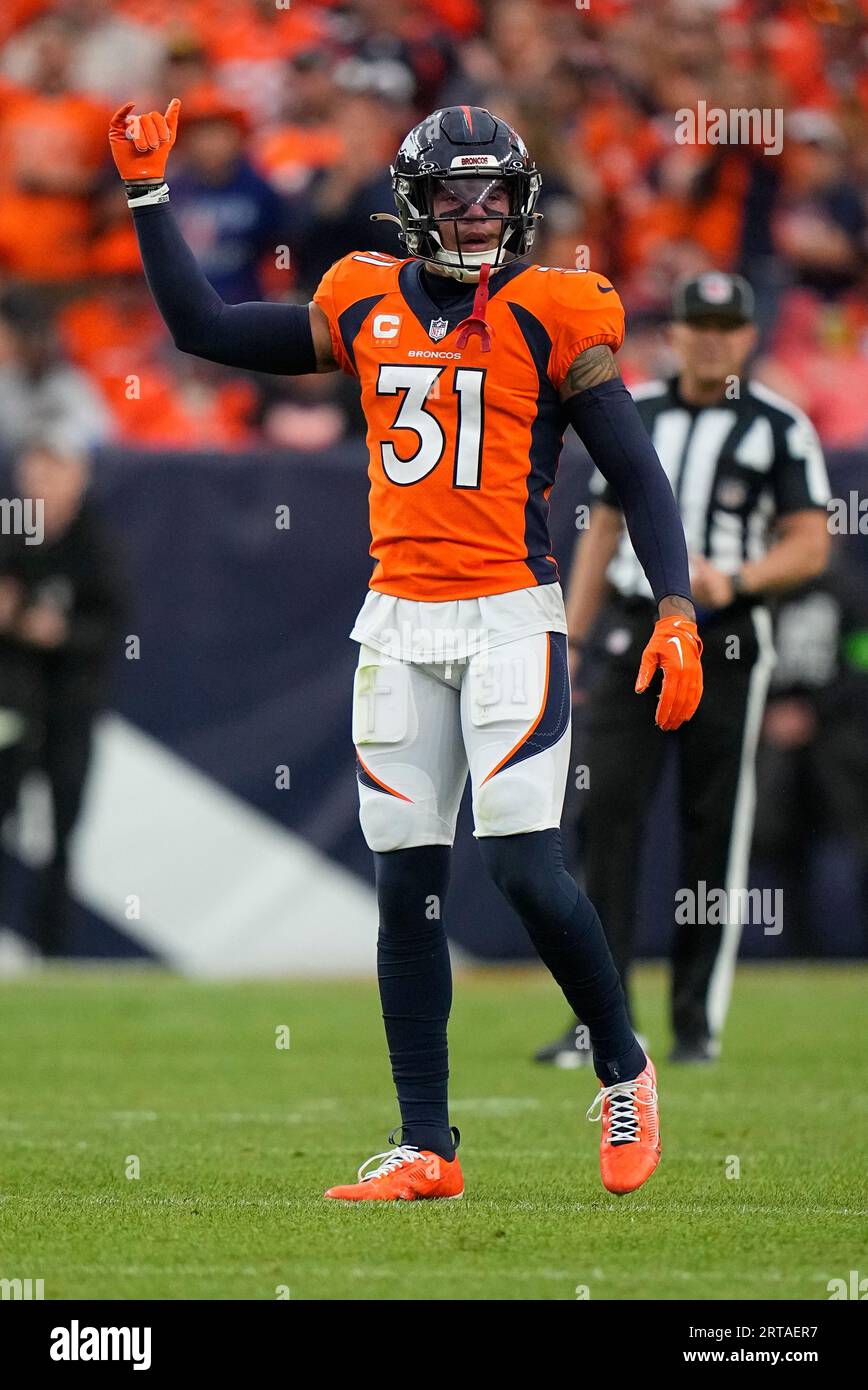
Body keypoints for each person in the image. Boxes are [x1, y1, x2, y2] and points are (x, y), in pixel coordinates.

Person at [106, 98, 704, 1201]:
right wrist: (149, 195)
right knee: (406, 891)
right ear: (414, 204)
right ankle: (427, 1142)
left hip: (510, 614)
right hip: (398, 620)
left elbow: (636, 469)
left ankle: (622, 1064)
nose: (477, 215)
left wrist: (674, 603)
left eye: (494, 195)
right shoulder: (362, 298)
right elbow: (205, 329)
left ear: (520, 205)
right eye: (454, 195)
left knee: (524, 865)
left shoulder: (554, 310)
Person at [536, 272, 830, 1069]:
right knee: (605, 826)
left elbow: (811, 540)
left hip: (727, 638)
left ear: (747, 336)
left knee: (714, 831)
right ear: (674, 333)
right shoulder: (638, 411)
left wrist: (736, 582)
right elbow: (599, 532)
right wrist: (567, 641)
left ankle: (694, 1024)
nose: (708, 338)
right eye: (695, 323)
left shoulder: (778, 426)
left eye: (725, 325)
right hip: (635, 633)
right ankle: (600, 1020)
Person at [0, 441, 125, 957]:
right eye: (37, 474)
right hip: (12, 707)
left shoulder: (97, 542)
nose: (45, 487)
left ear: (79, 477)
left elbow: (113, 623)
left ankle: (54, 951)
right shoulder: (10, 533)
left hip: (71, 706)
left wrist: (58, 633)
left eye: (57, 473)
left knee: (64, 828)